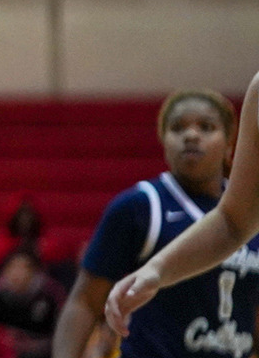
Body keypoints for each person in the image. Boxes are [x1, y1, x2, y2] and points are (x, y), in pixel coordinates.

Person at [64, 90, 259, 358]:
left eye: (206, 127)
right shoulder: (140, 206)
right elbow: (85, 300)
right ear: (163, 142)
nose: (191, 135)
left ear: (230, 145)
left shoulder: (251, 213)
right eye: (178, 128)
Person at [0, 249, 63, 358]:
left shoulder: (51, 293)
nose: (17, 273)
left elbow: (62, 332)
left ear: (35, 271)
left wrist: (34, 346)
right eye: (12, 267)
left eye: (23, 267)